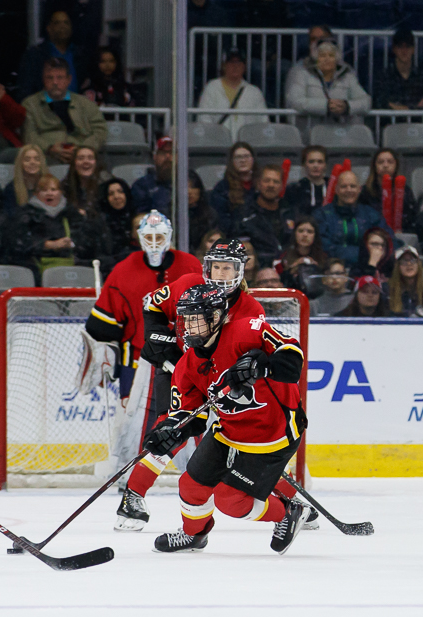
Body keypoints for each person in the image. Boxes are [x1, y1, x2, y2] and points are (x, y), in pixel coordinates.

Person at [117, 240, 307, 531]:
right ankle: (133, 495)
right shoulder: (188, 283)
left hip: (222, 378)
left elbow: (260, 356)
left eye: (227, 267)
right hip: (180, 367)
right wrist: (158, 337)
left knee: (243, 445)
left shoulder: (250, 311)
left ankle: (285, 501)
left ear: (240, 270)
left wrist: (256, 367)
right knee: (169, 430)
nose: (220, 273)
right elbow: (152, 305)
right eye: (215, 266)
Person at [143, 284, 310, 555]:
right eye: (185, 319)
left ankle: (287, 512)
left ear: (217, 316)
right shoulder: (186, 365)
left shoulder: (248, 331)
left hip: (273, 433)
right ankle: (193, 534)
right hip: (229, 431)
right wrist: (171, 430)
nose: (188, 327)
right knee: (190, 485)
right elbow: (190, 415)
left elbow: (293, 358)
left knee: (231, 501)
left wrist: (263, 365)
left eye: (196, 319)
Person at [83, 212, 201, 500]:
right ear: (139, 238)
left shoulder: (190, 266)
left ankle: (197, 474)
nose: (154, 243)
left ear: (169, 237)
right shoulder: (124, 270)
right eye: (148, 237)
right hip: (137, 360)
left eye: (159, 237)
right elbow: (102, 325)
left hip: (186, 357)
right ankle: (127, 473)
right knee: (132, 420)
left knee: (190, 417)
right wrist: (105, 354)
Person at [18, 174, 108, 278]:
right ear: (36, 194)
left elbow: (88, 240)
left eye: (53, 189)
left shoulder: (72, 213)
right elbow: (20, 244)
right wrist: (47, 245)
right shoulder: (26, 214)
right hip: (36, 270)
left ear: (60, 192)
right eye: (44, 190)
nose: (49, 193)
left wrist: (72, 243)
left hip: (72, 268)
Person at [23, 58, 108, 165]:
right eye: (49, 78)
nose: (55, 82)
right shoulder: (30, 104)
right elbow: (29, 134)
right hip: (44, 159)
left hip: (82, 159)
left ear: (69, 79)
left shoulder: (86, 104)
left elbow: (100, 131)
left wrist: (83, 149)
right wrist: (49, 148)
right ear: (43, 80)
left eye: (60, 77)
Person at [285, 40, 370, 126]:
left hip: (340, 133)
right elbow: (294, 101)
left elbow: (365, 102)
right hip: (310, 133)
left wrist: (347, 106)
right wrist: (325, 106)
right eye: (322, 56)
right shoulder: (302, 75)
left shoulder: (348, 77)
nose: (327, 59)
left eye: (331, 55)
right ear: (316, 58)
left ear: (337, 59)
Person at [315, 170, 390, 267]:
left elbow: (388, 240)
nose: (349, 190)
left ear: (359, 189)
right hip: (332, 269)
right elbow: (323, 246)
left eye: (352, 186)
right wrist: (365, 253)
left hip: (368, 268)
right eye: (344, 186)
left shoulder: (371, 214)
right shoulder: (322, 215)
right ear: (336, 190)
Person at [195, 50, 269, 141]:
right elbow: (204, 119)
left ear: (244, 66)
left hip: (246, 147)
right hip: (218, 146)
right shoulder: (211, 88)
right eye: (231, 62)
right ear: (223, 65)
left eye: (239, 62)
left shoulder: (254, 92)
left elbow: (263, 123)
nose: (235, 66)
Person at [17, 9, 88, 100]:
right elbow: (26, 87)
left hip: (76, 109)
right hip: (44, 109)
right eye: (57, 23)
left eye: (66, 23)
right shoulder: (36, 54)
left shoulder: (80, 54)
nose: (63, 26)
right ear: (49, 28)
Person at [232, 164, 294, 267]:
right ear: (258, 184)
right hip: (256, 269)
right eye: (267, 180)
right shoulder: (244, 214)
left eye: (276, 181)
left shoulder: (290, 212)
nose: (271, 185)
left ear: (281, 186)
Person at [374, 27, 423, 111]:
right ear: (394, 49)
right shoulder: (383, 76)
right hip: (391, 123)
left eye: (408, 47)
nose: (404, 51)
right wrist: (412, 109)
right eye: (400, 47)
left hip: (417, 123)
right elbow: (379, 102)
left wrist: (401, 108)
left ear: (413, 49)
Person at [361, 148, 417, 233]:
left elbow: (412, 219)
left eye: (390, 162)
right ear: (374, 166)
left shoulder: (405, 191)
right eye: (380, 162)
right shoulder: (366, 191)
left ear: (396, 166)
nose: (385, 165)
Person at [209, 142, 257, 234]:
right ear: (232, 161)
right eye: (238, 157)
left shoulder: (262, 184)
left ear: (253, 159)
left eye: (246, 156)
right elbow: (221, 220)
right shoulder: (222, 188)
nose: (242, 160)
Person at [277, 216, 328, 292]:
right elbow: (279, 281)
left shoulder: (323, 258)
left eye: (310, 232)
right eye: (300, 231)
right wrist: (291, 270)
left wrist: (316, 269)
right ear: (295, 234)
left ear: (315, 235)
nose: (305, 235)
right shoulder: (283, 256)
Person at [131, 136, 174, 216]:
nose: (168, 156)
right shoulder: (142, 186)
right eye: (162, 153)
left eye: (172, 152)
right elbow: (141, 218)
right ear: (155, 157)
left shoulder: (187, 182)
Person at [283, 146, 330, 218]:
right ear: (304, 164)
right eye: (311, 162)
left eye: (320, 162)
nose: (315, 165)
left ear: (325, 165)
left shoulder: (334, 188)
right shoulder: (294, 190)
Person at [97, 177, 136, 260]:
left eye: (120, 192)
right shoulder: (100, 223)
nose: (116, 197)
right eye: (111, 194)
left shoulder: (136, 220)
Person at [3, 143, 46, 211]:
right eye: (27, 159)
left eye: (37, 159)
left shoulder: (50, 186)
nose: (32, 162)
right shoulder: (11, 189)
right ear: (20, 163)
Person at [389, 245, 423, 315]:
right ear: (397, 266)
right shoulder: (388, 289)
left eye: (412, 260)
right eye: (404, 261)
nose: (409, 264)